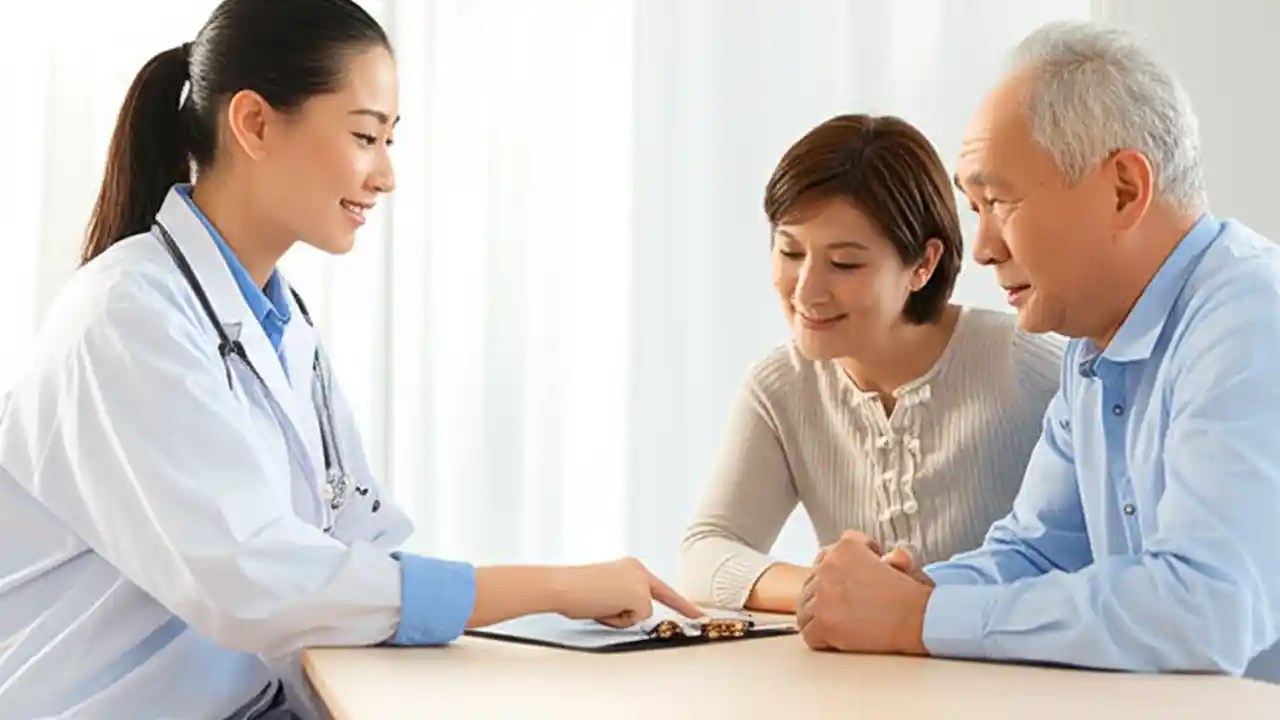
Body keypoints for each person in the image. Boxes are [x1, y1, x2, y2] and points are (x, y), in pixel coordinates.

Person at [0, 1, 699, 717]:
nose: (386, 175)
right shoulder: (127, 318)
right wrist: (553, 587)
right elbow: (258, 583)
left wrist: (527, 614)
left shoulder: (279, 324)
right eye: (366, 136)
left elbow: (361, 547)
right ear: (255, 124)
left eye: (390, 140)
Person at [796, 21, 1280, 682]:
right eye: (974, 208)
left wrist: (916, 620)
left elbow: (1208, 612)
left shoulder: (1252, 318)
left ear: (1123, 191)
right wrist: (906, 593)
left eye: (999, 200)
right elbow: (1038, 552)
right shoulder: (1093, 345)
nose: (985, 248)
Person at [678, 114, 1064, 613]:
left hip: (1010, 680)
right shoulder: (781, 386)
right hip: (856, 683)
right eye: (790, 251)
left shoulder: (1028, 368)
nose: (806, 290)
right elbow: (706, 553)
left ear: (923, 265)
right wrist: (839, 590)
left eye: (845, 263)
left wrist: (898, 601)